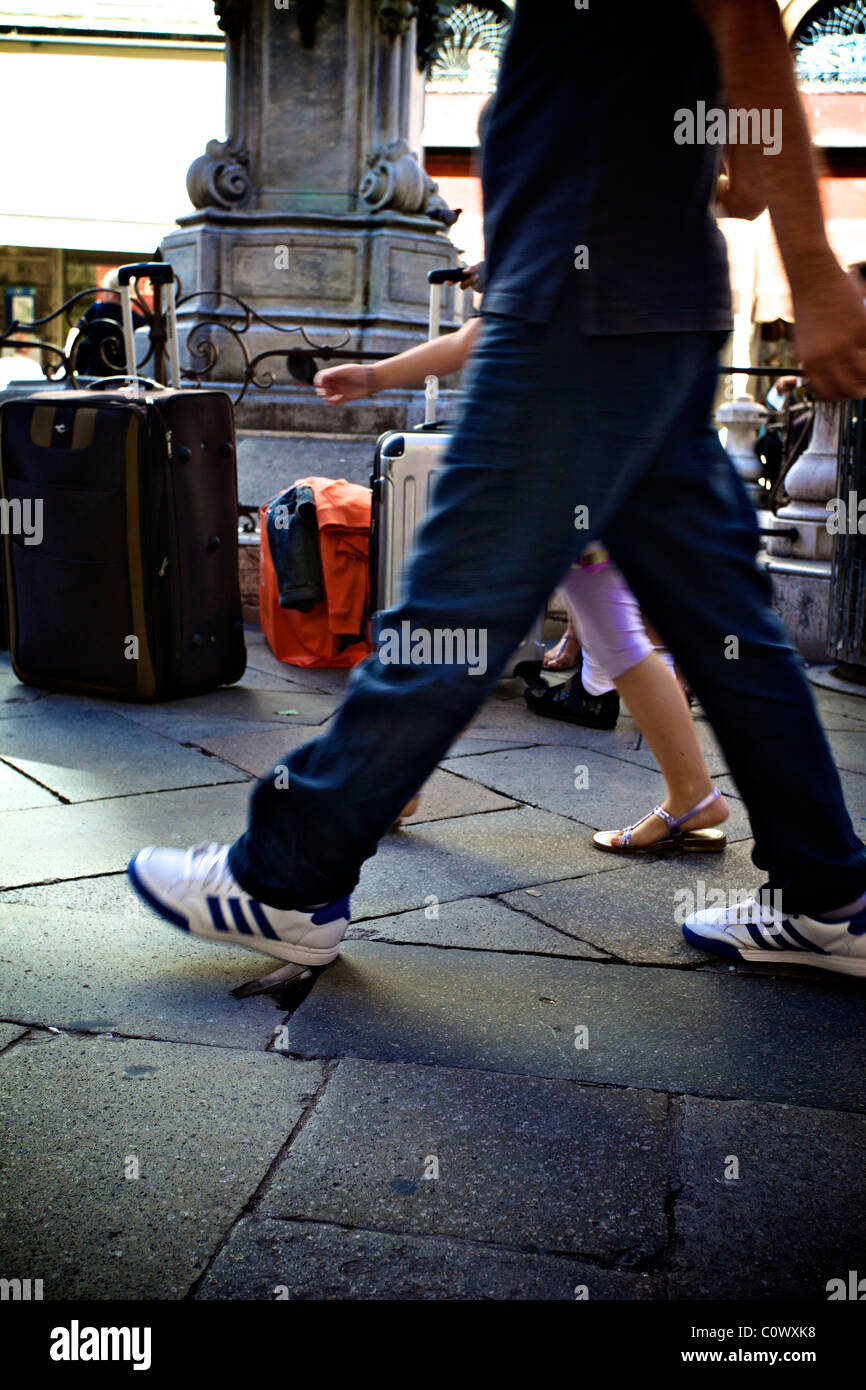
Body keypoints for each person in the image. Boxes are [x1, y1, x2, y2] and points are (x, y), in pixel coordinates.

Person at [129, 0, 866, 978]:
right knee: (726, 621)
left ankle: (284, 877)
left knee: (456, 593)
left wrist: (810, 263)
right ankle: (829, 895)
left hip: (583, 304)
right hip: (637, 301)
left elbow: (737, 15)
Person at [314, 314, 727, 854]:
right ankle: (693, 793)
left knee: (457, 630)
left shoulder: (570, 248)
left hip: (549, 474)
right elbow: (489, 333)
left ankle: (391, 785)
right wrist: (374, 377)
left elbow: (488, 334)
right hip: (579, 471)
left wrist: (375, 377)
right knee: (609, 634)